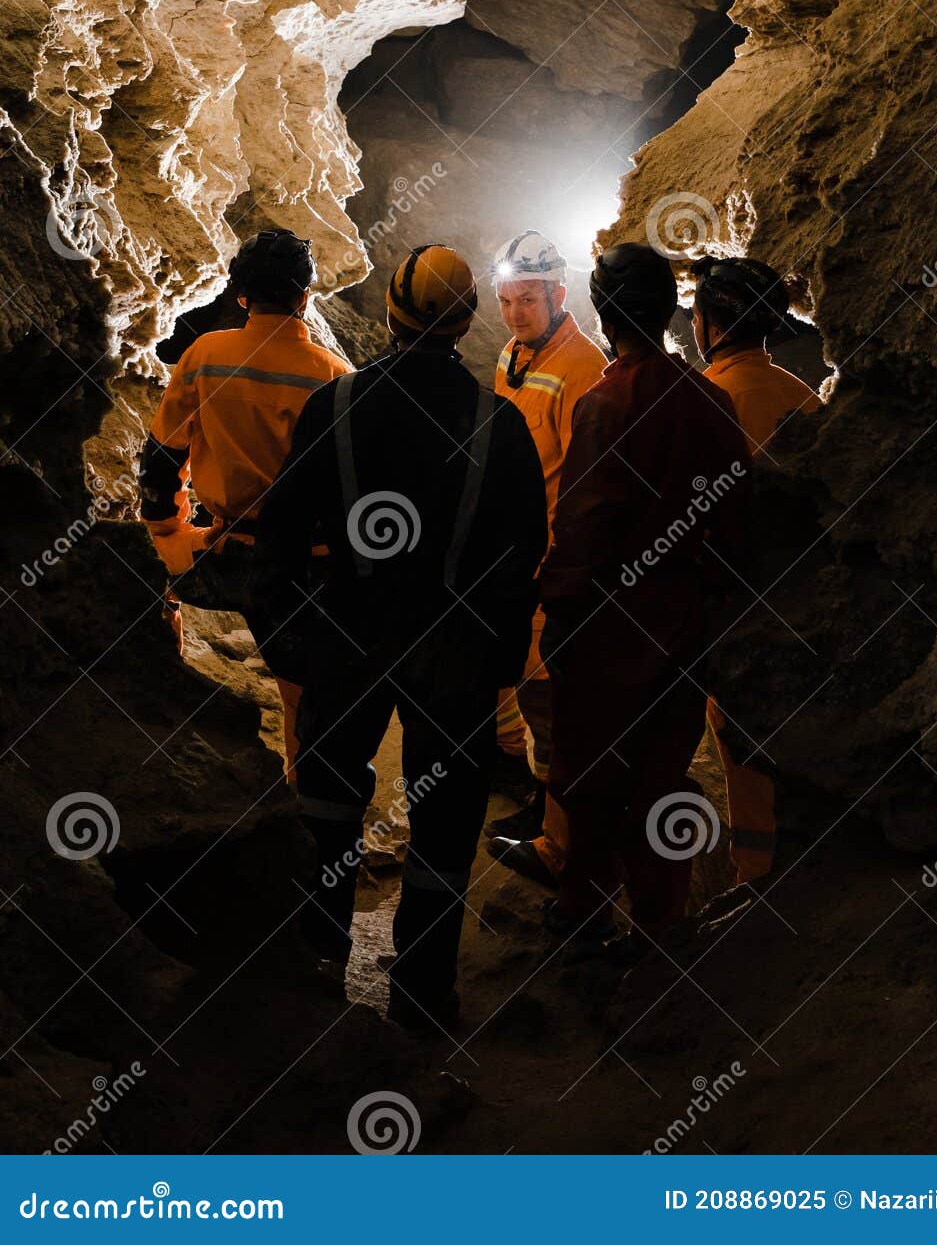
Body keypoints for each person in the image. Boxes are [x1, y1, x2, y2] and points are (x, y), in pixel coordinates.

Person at [251, 244, 547, 1032]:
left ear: (390, 312)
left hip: (347, 631)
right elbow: (521, 554)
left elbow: (281, 534)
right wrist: (495, 659)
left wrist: (288, 642)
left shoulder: (337, 405)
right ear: (467, 321)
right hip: (451, 646)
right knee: (445, 819)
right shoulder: (497, 423)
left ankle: (318, 959)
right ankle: (421, 989)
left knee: (327, 802)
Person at [538, 244, 750, 957]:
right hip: (684, 623)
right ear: (668, 312)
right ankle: (660, 925)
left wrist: (558, 611)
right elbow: (732, 522)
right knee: (663, 773)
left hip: (608, 626)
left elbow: (584, 525)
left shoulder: (606, 404)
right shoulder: (710, 401)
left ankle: (584, 909)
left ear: (603, 313)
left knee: (590, 772)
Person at [139, 229, 349, 781]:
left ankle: (162, 697)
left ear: (241, 295)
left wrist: (169, 530)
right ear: (305, 297)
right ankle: (302, 786)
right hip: (300, 566)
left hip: (222, 552)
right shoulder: (334, 377)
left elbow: (162, 459)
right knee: (302, 695)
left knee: (141, 569)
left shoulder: (205, 356)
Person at [692, 255, 821, 885]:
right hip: (800, 594)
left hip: (730, 600)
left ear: (711, 323)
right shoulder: (799, 395)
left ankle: (753, 873)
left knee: (738, 735)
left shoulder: (706, 400)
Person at [485, 230, 607, 890]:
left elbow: (583, 485)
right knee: (522, 687)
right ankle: (538, 797)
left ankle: (558, 829)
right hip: (512, 557)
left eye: (527, 300)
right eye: (505, 301)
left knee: (549, 699)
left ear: (559, 294)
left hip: (550, 564)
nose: (514, 314)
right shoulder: (512, 355)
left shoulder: (582, 367)